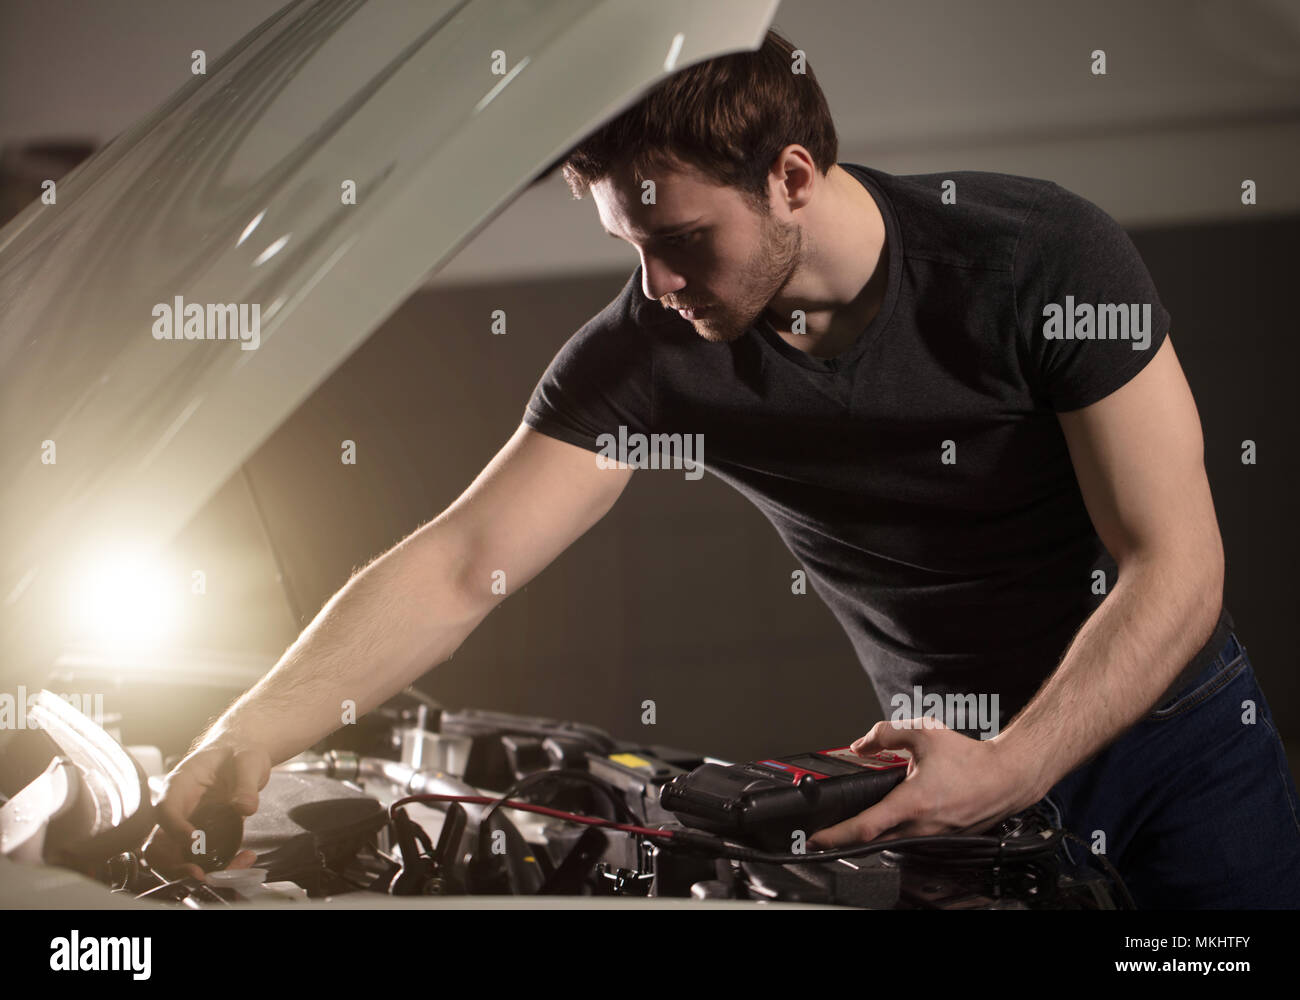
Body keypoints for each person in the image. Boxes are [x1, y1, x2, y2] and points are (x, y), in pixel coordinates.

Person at [147, 29, 1300, 908]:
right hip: (936, 773)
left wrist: (1015, 762)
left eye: (681, 241)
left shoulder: (1041, 254)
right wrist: (248, 734)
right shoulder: (655, 348)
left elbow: (1176, 564)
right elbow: (461, 562)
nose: (656, 284)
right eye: (631, 248)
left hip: (1177, 743)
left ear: (791, 176)